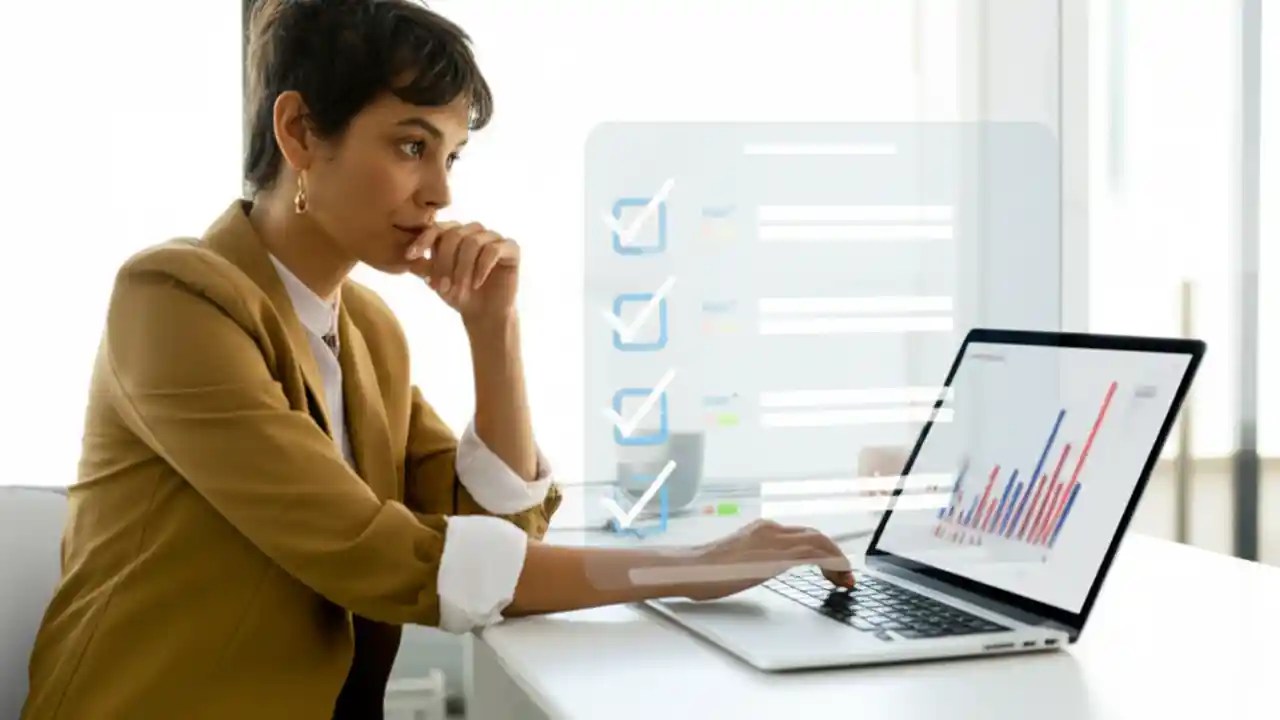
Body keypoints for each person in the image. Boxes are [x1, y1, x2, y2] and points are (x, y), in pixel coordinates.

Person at [21, 1, 853, 718]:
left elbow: (494, 540)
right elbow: (380, 554)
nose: (441, 193)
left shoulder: (368, 330)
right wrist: (687, 568)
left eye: (451, 156)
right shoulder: (173, 300)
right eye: (412, 146)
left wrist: (495, 332)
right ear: (300, 133)